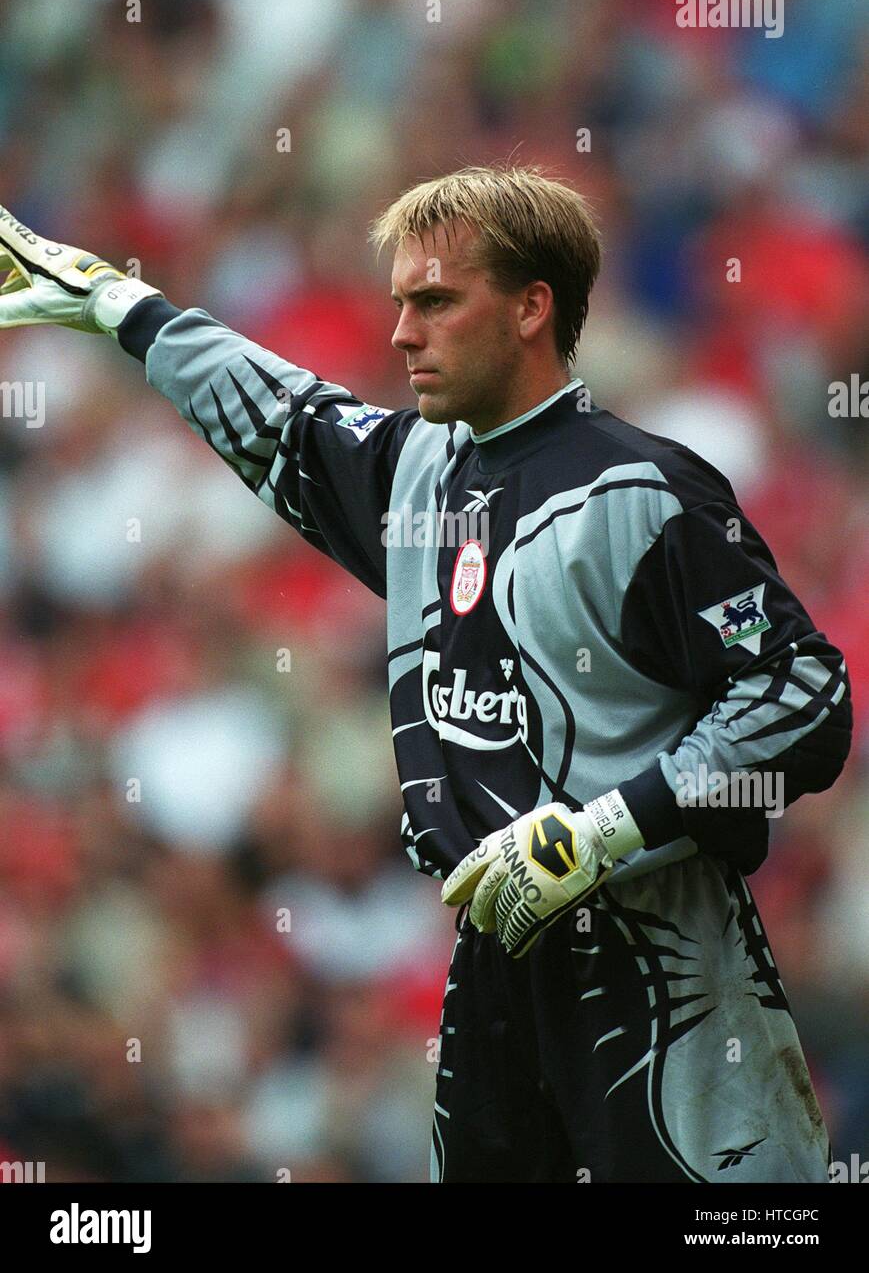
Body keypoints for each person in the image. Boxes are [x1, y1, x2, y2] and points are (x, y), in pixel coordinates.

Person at [0, 168, 852, 1183]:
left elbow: (804, 696)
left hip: (663, 967)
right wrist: (121, 306)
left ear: (532, 307)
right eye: (399, 302)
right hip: (494, 963)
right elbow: (285, 413)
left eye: (435, 300)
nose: (402, 332)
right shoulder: (418, 474)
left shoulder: (643, 490)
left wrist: (598, 832)